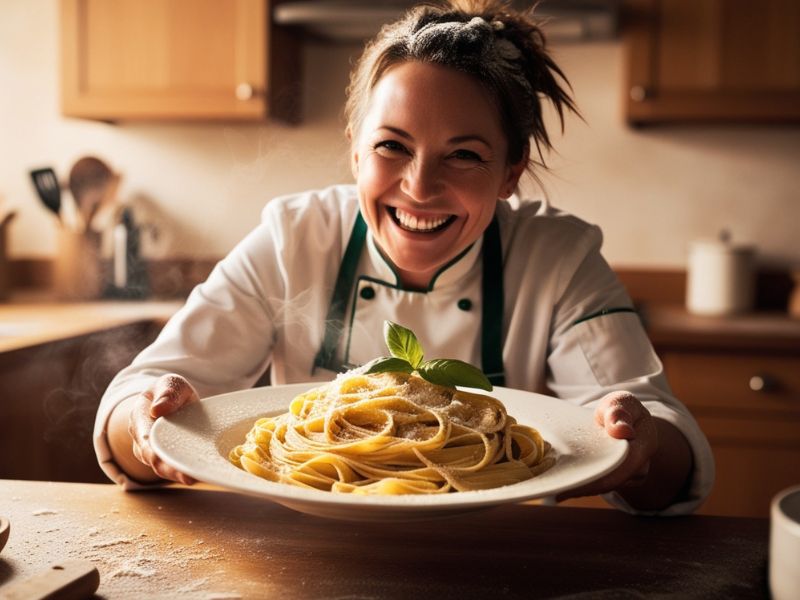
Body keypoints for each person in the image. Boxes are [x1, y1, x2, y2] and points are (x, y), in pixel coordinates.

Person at [95, 0, 714, 515]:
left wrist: (641, 440)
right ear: (356, 153)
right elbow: (138, 405)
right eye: (392, 146)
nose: (420, 187)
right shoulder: (294, 236)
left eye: (464, 155)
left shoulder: (558, 256)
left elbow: (661, 442)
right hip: (305, 549)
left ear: (510, 172)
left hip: (499, 560)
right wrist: (147, 423)